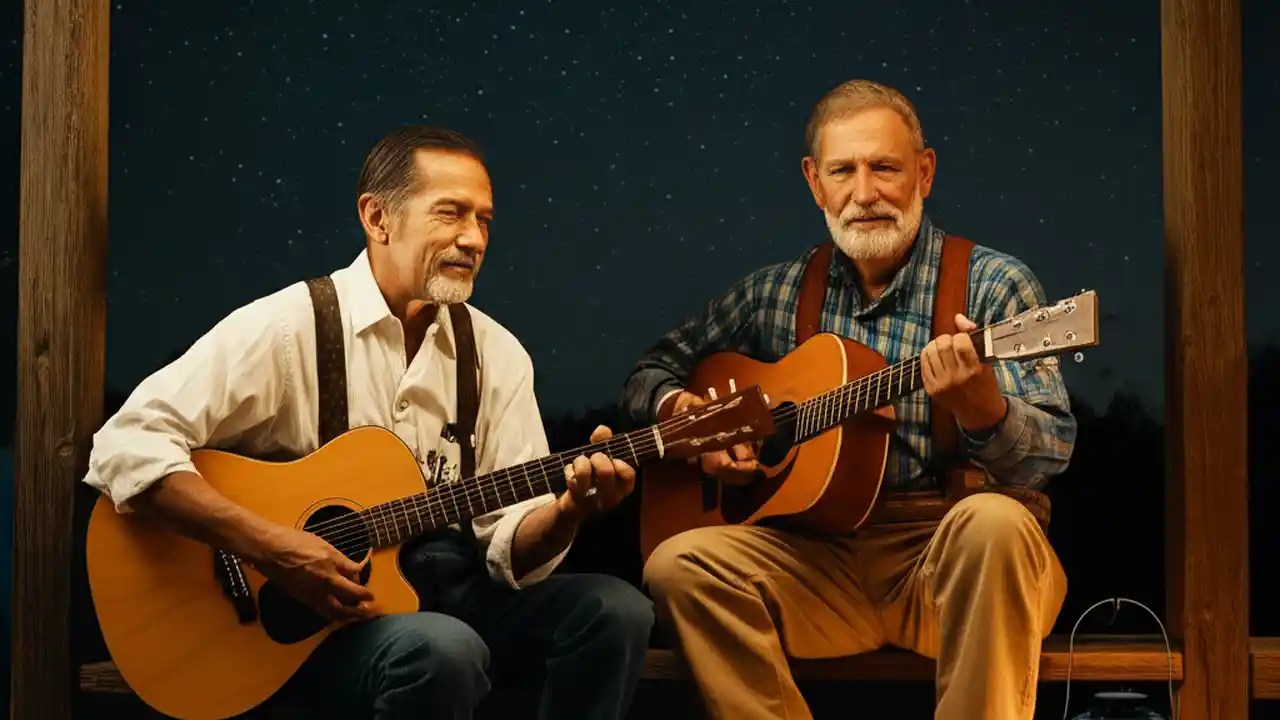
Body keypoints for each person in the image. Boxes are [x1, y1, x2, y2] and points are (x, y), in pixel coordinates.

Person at [84, 125, 655, 719]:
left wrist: (568, 512)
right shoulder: (290, 327)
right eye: (450, 214)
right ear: (378, 218)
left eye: (484, 220)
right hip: (317, 628)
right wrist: (273, 548)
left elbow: (507, 544)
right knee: (440, 649)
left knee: (617, 612)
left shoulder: (497, 354)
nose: (473, 238)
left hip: (450, 595)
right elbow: (127, 444)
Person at [621, 79, 1076, 720]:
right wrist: (693, 422)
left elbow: (1049, 457)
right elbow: (650, 372)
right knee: (677, 564)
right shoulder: (773, 294)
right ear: (815, 182)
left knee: (998, 525)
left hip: (951, 564)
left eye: (885, 167)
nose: (864, 194)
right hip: (815, 563)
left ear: (924, 172)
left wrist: (983, 409)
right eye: (844, 171)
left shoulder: (994, 285)